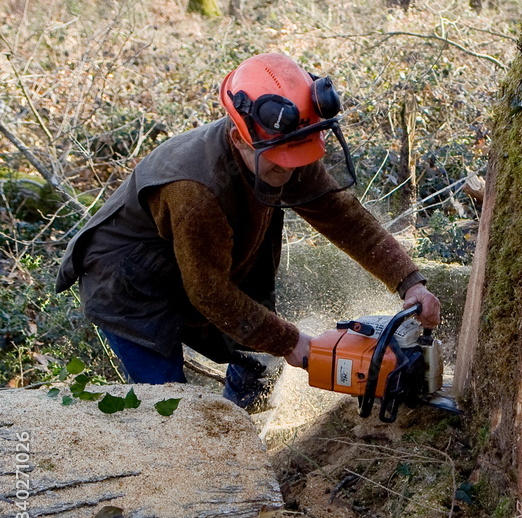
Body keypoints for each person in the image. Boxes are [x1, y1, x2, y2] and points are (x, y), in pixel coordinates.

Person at [55, 52, 440, 411]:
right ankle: (183, 472)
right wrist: (291, 342)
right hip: (129, 284)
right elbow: (208, 292)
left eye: (297, 161)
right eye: (278, 167)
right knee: (168, 404)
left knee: (260, 360)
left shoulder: (286, 143)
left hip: (210, 259)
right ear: (241, 138)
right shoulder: (195, 191)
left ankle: (244, 434)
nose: (289, 174)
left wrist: (408, 281)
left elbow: (342, 216)